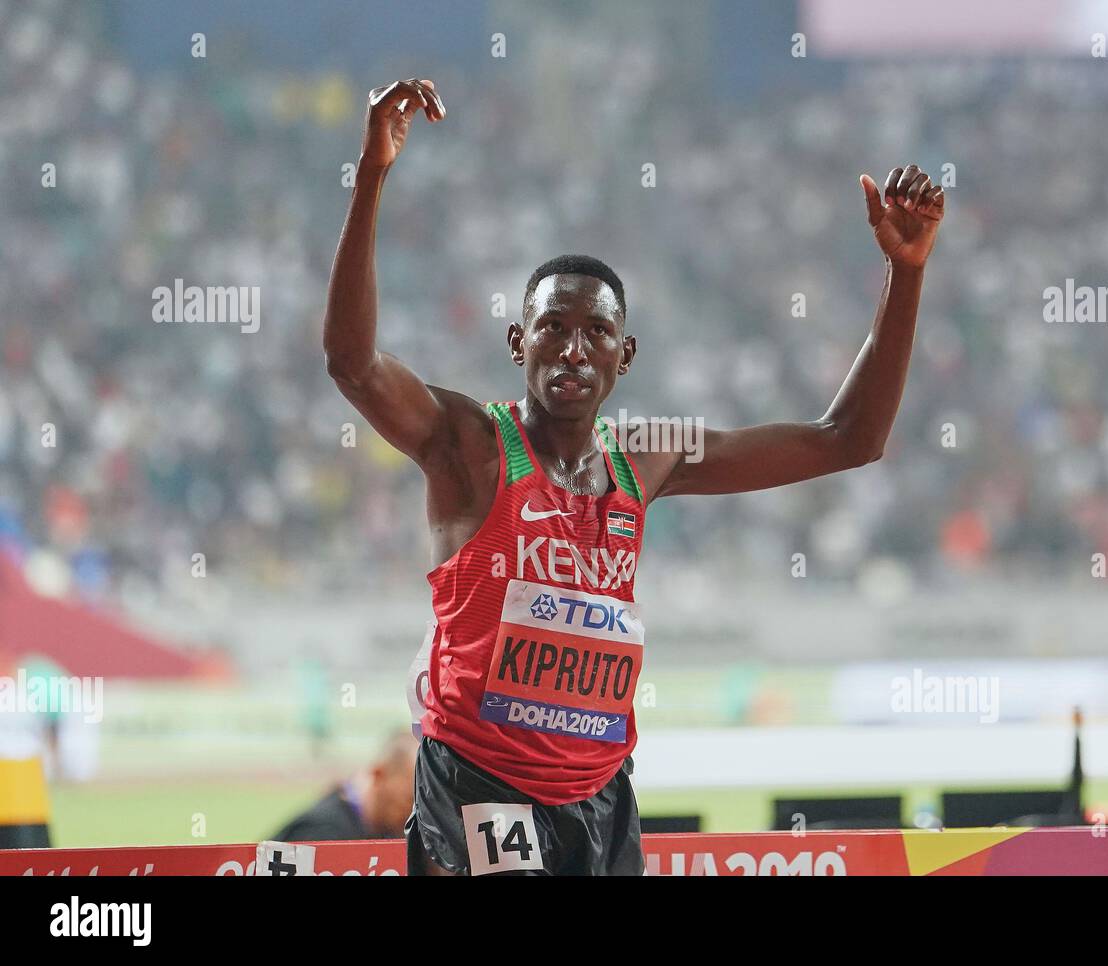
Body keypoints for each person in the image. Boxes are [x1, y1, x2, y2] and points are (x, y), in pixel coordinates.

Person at [323, 78, 944, 875]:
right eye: (553, 327)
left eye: (597, 332)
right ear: (519, 343)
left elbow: (847, 437)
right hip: (480, 787)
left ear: (627, 354)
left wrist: (907, 273)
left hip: (602, 796)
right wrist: (371, 174)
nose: (573, 351)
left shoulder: (647, 457)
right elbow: (352, 362)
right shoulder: (471, 445)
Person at [269, 730, 417, 842]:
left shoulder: (382, 829)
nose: (413, 814)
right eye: (409, 800)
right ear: (379, 775)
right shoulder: (322, 834)